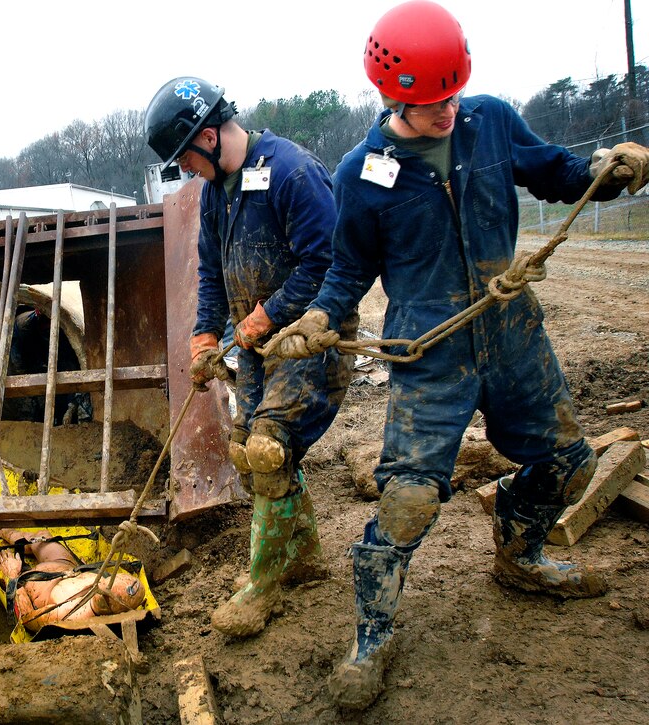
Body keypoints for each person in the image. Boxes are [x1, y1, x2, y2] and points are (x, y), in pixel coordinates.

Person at [262, 0, 649, 709]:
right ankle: (372, 633)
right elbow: (348, 269)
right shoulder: (362, 172)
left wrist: (607, 166)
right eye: (427, 100)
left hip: (513, 334)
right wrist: (319, 313)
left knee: (569, 464)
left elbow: (556, 171)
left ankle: (520, 555)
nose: (445, 109)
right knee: (407, 499)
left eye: (452, 92)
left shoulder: (491, 118)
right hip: (429, 351)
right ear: (391, 94)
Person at [144, 77, 356, 637]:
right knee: (249, 451)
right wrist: (204, 338)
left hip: (310, 342)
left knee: (268, 451)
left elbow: (328, 265)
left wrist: (270, 314)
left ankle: (261, 585)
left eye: (187, 157)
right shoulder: (217, 191)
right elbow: (212, 273)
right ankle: (305, 558)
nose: (187, 170)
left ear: (209, 136)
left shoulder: (293, 171)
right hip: (260, 348)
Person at [0, 527, 146, 633]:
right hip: (64, 569)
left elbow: (28, 619)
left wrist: (13, 576)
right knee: (41, 537)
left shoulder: (73, 613)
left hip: (31, 583)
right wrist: (85, 570)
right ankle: (5, 530)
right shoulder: (106, 582)